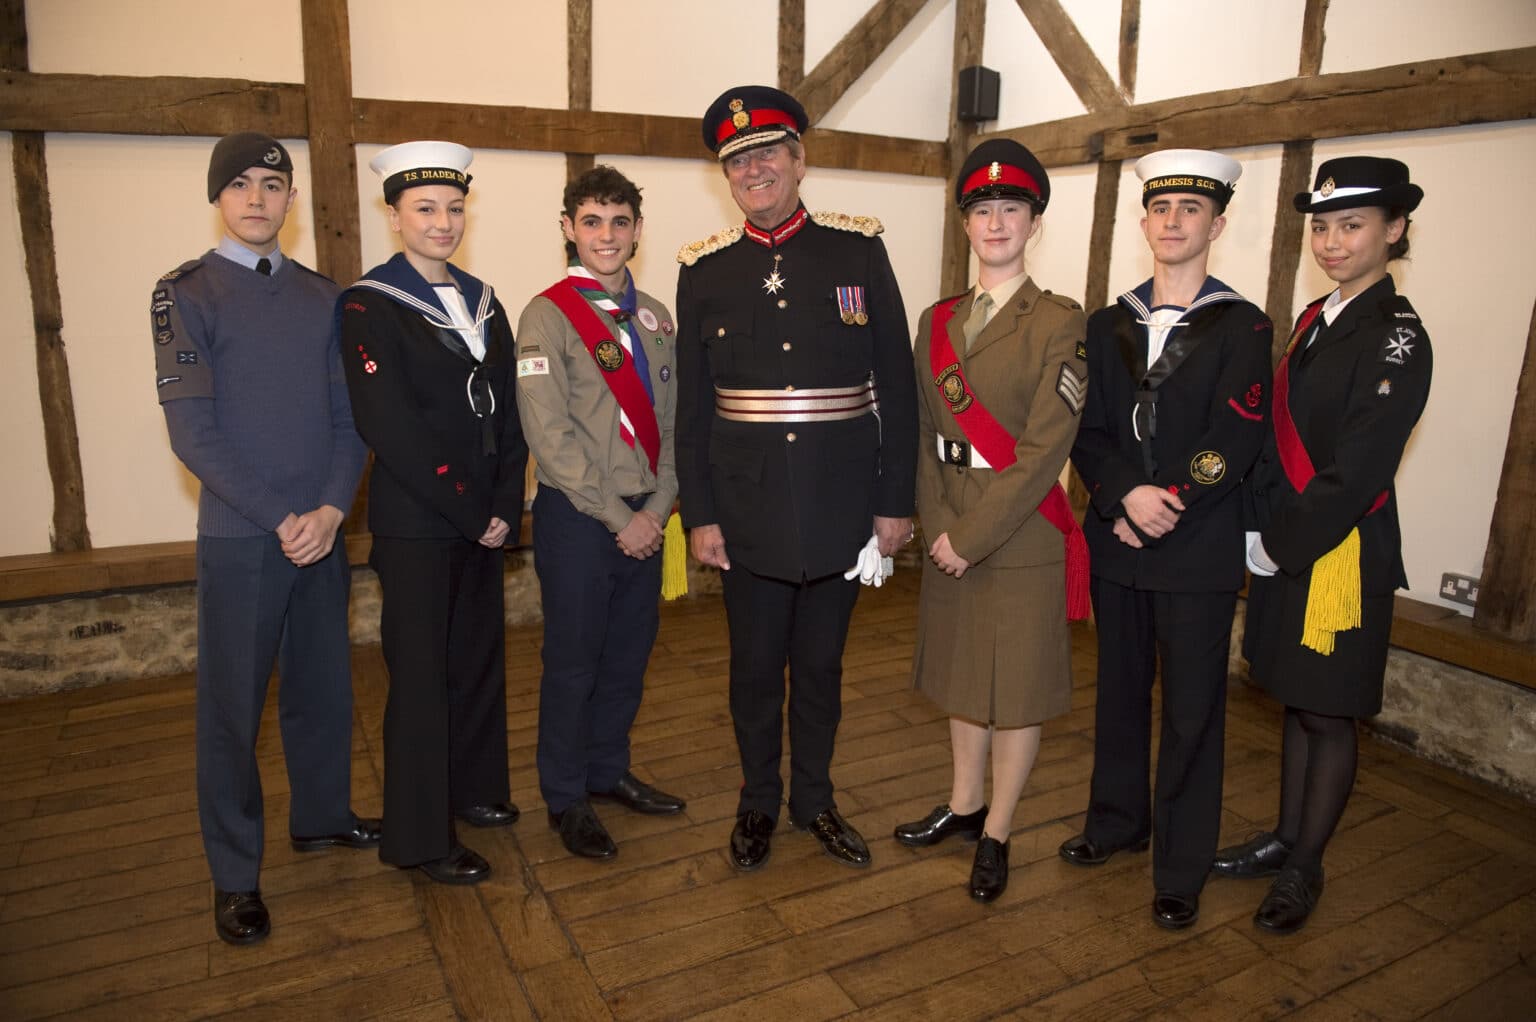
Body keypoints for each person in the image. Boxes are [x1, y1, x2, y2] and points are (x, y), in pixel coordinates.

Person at [675, 86, 918, 871]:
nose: (755, 169)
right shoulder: (705, 270)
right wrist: (701, 516)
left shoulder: (857, 251)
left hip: (839, 508)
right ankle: (758, 802)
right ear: (727, 176)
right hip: (745, 515)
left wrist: (893, 503)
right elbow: (693, 411)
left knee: (820, 669)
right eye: (739, 160)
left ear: (798, 159)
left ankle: (814, 799)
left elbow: (897, 385)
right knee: (753, 672)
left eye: (767, 153)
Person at [153, 131, 377, 945]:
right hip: (244, 538)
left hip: (318, 534)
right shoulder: (186, 293)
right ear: (219, 197)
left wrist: (327, 510)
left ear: (290, 199)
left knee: (324, 692)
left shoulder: (325, 298)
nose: (258, 198)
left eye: (273, 185)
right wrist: (281, 519)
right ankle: (235, 875)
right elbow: (193, 435)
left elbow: (350, 420)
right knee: (232, 710)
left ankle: (320, 816)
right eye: (240, 184)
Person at [1215, 156, 1431, 935]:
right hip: (1285, 540)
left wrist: (1282, 542)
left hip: (1337, 552)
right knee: (1296, 699)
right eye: (1322, 227)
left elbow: (1361, 465)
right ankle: (1283, 837)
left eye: (1352, 227)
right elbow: (1277, 436)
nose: (1332, 243)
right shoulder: (1318, 318)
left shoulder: (1397, 337)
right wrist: (1253, 523)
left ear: (1394, 230)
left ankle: (1307, 865)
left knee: (1329, 714)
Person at [1059, 148, 1273, 930]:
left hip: (1196, 545)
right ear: (1144, 220)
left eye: (1191, 210)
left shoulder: (1243, 324)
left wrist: (1167, 499)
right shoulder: (1109, 321)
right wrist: (1122, 497)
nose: (1173, 222)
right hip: (1119, 536)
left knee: (1191, 712)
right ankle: (1117, 824)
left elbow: (1238, 432)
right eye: (1161, 209)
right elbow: (1088, 430)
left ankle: (1181, 866)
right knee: (1117, 695)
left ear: (1218, 222)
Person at [895, 140, 1089, 903]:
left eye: (1012, 209)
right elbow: (921, 432)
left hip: (1019, 531)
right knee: (965, 677)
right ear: (967, 225)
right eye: (983, 210)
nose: (997, 222)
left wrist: (970, 537)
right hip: (950, 523)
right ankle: (964, 803)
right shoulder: (936, 319)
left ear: (1034, 222)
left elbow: (1045, 450)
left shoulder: (1059, 322)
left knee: (1017, 689)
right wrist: (937, 522)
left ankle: (1000, 830)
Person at [339, 141, 528, 885]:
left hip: (483, 515)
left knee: (477, 659)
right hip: (419, 520)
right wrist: (467, 507)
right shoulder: (368, 304)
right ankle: (419, 837)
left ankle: (476, 790)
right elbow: (390, 426)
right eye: (424, 209)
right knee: (419, 677)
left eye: (453, 208)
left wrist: (506, 504)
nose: (442, 222)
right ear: (394, 217)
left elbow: (510, 411)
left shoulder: (483, 298)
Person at [516, 165, 687, 861]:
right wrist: (623, 517)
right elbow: (548, 437)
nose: (606, 235)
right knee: (573, 662)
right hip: (583, 521)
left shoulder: (656, 316)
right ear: (568, 229)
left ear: (638, 230)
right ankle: (565, 796)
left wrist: (664, 503)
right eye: (591, 221)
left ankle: (607, 771)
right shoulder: (547, 315)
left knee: (626, 659)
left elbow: (675, 424)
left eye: (620, 222)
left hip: (650, 516)